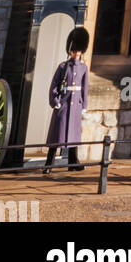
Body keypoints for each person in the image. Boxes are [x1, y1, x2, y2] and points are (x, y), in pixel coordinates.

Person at [42, 26, 89, 176]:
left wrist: (84, 105)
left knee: (74, 135)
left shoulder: (83, 68)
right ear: (70, 50)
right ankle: (49, 163)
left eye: (78, 51)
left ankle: (73, 162)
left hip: (76, 104)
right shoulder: (63, 66)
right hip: (64, 102)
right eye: (74, 51)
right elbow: (54, 85)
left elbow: (84, 88)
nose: (76, 53)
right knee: (57, 134)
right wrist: (55, 100)